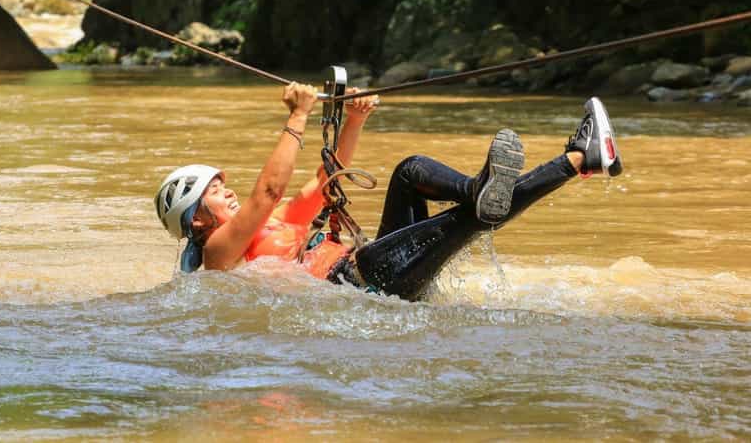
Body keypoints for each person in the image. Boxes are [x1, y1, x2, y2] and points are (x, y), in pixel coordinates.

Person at [154, 82, 622, 301]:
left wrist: (354, 119)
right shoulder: (217, 254)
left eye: (224, 184)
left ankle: (481, 187)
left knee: (409, 170)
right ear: (197, 218)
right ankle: (579, 160)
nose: (229, 192)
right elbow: (269, 190)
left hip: (376, 263)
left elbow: (325, 181)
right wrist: (297, 115)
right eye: (215, 191)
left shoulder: (274, 227)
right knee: (467, 219)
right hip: (363, 279)